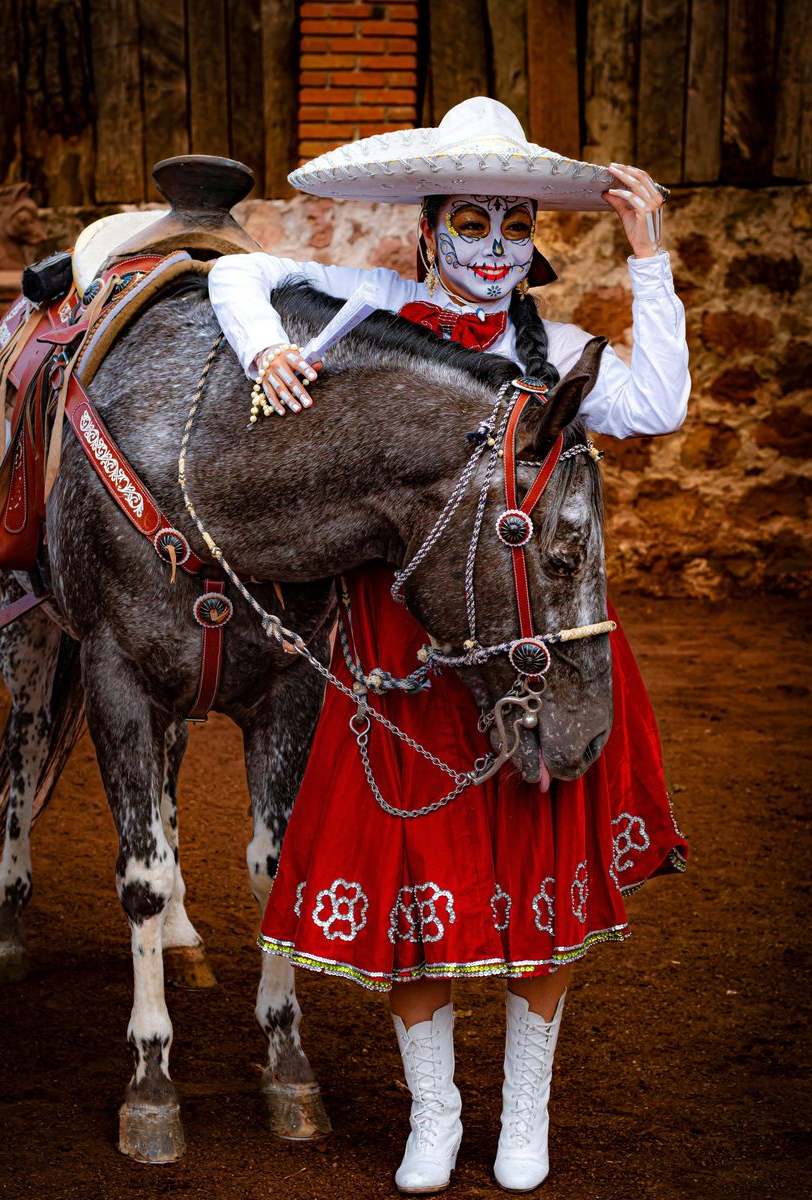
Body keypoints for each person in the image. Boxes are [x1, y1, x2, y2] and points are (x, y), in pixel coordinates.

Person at [209, 98, 689, 1194]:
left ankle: (526, 1117)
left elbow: (656, 405)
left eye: (513, 226)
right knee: (413, 880)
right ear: (428, 229)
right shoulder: (372, 303)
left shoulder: (552, 344)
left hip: (528, 635)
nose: (491, 248)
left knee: (537, 874)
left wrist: (647, 257)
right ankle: (436, 1114)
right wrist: (272, 347)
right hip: (405, 646)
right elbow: (233, 276)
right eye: (470, 222)